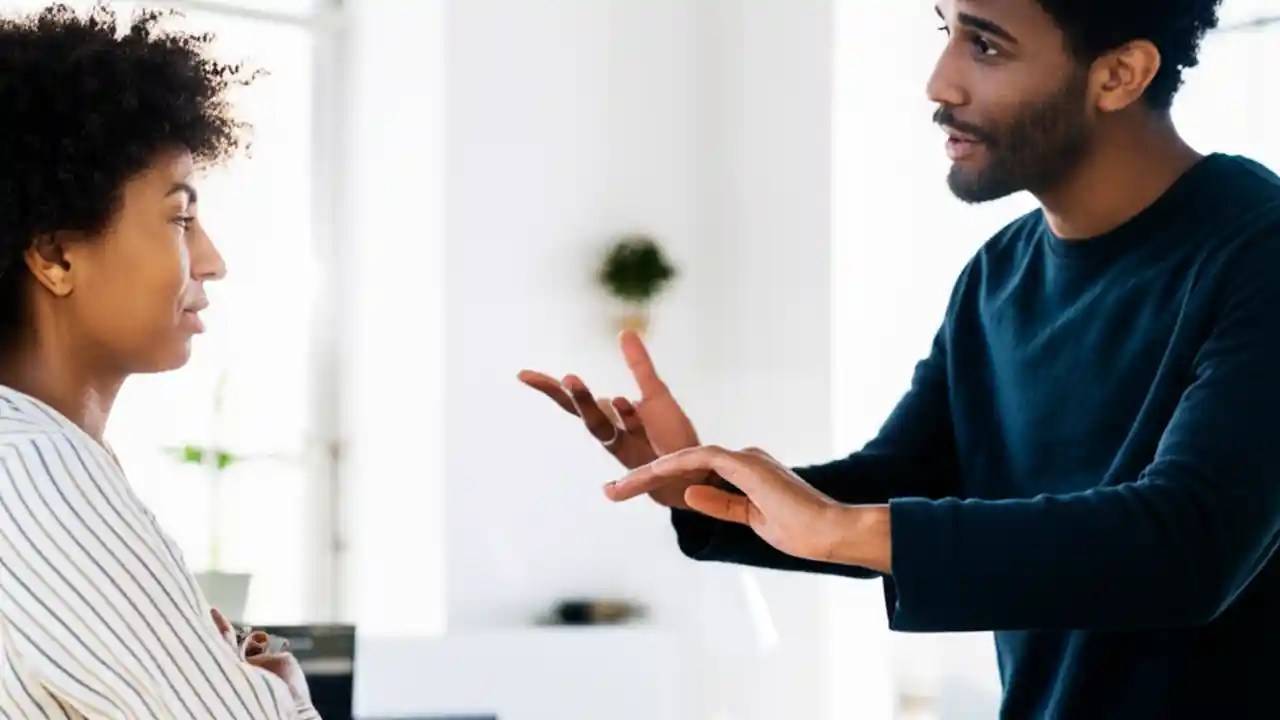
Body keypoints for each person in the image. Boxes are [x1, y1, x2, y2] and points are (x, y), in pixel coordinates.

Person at [521, 0, 1279, 717]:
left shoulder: (1259, 249)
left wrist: (839, 527)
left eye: (985, 44)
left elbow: (1189, 546)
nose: (939, 82)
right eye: (944, 29)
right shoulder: (997, 276)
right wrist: (702, 483)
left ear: (1119, 75)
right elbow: (899, 481)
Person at [0, 5, 320, 718]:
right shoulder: (41, 472)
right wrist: (284, 696)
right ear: (55, 256)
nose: (212, 260)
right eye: (180, 219)